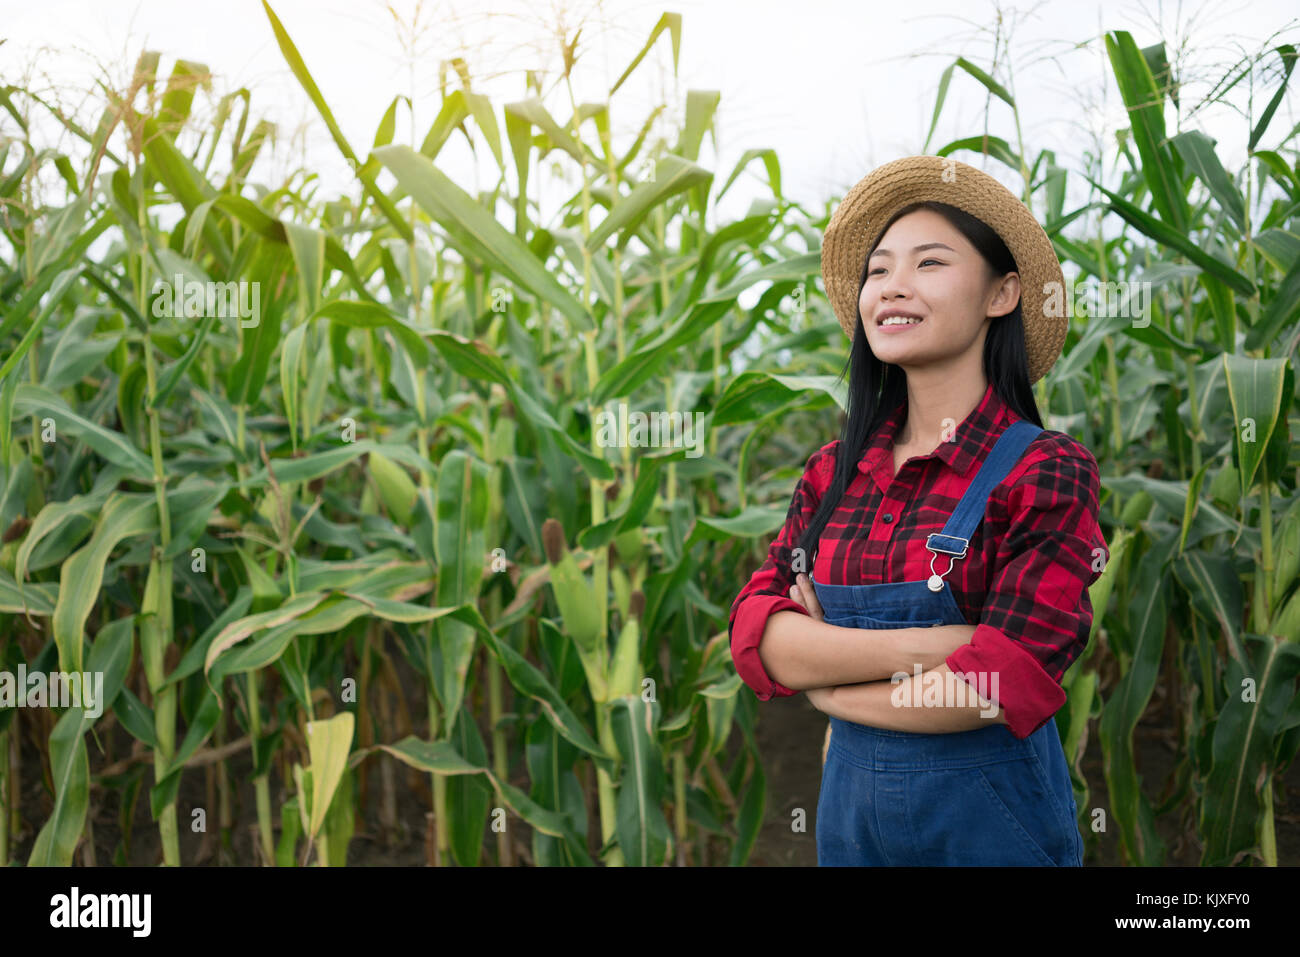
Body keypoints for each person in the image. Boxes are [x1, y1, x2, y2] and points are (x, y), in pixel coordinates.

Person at [727, 155, 1109, 866]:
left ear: (1003, 292)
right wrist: (938, 647)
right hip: (852, 835)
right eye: (877, 270)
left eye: (929, 263)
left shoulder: (1043, 472)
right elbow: (758, 635)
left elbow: (1003, 679)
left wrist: (833, 689)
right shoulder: (833, 475)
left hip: (993, 837)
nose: (892, 287)